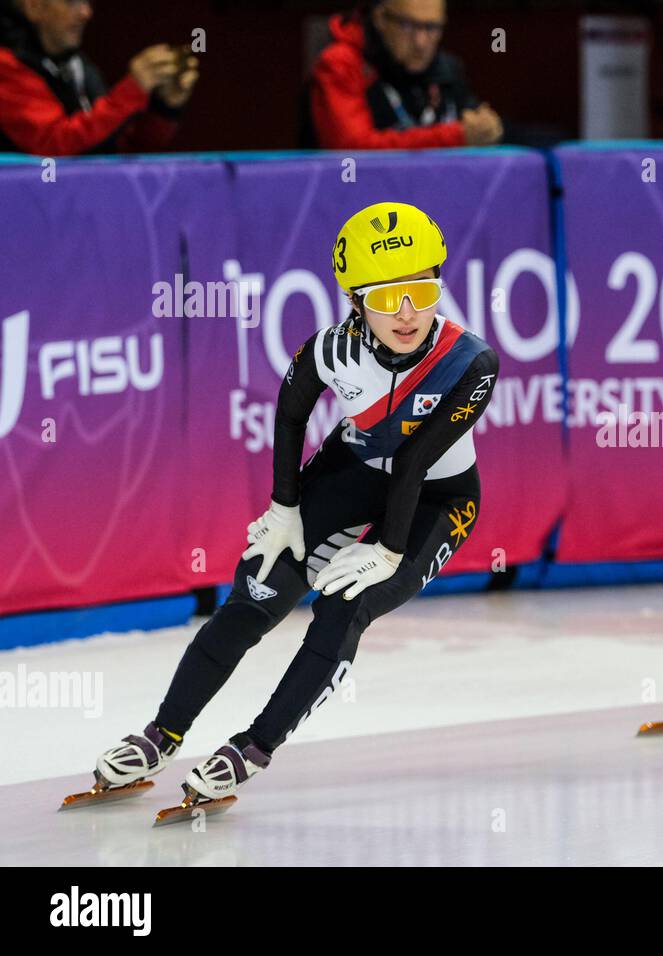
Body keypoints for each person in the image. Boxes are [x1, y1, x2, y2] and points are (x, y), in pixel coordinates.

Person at [86, 202, 499, 805]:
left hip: (439, 495)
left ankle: (254, 745)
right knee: (256, 593)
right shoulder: (330, 351)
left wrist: (388, 550)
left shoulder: (473, 362)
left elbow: (414, 461)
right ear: (355, 302)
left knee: (342, 610)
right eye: (387, 298)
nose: (408, 313)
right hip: (352, 469)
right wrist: (284, 508)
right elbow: (290, 415)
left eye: (422, 289)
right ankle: (162, 733)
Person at [0, 0, 198, 155]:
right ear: (34, 6)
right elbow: (54, 148)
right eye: (72, 1)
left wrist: (164, 108)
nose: (86, 13)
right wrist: (132, 90)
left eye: (87, 1)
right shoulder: (5, 65)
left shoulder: (77, 65)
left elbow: (119, 147)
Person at [308, 0, 503, 149]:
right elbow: (353, 151)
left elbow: (473, 123)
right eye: (408, 25)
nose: (421, 42)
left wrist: (488, 127)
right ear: (380, 19)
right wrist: (454, 137)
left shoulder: (447, 68)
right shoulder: (341, 63)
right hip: (358, 199)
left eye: (432, 27)